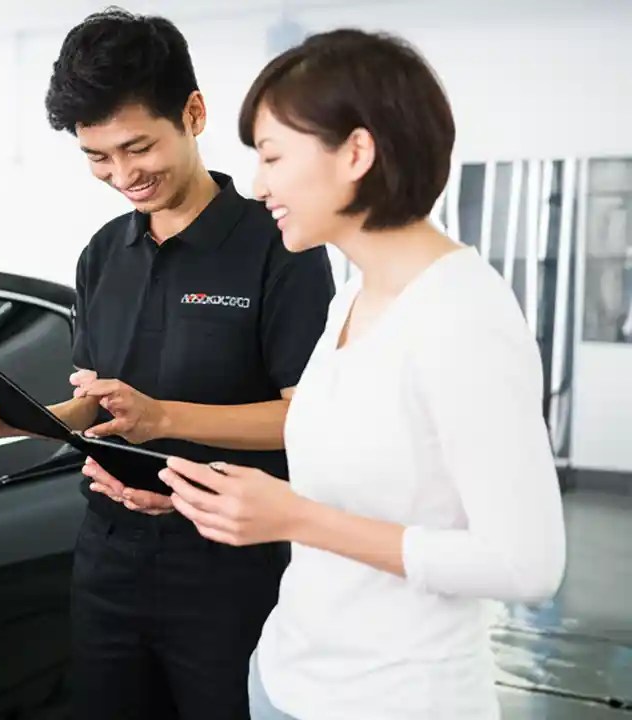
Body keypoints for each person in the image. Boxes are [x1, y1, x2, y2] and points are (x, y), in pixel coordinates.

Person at [157, 29, 568, 719]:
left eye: (272, 156)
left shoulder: (463, 318)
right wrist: (229, 501)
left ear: (356, 151)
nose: (258, 186)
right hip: (290, 675)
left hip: (395, 698)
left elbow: (526, 565)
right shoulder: (354, 291)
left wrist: (297, 519)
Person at [0, 8, 334, 718]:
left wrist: (165, 419)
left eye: (137, 147)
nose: (123, 174)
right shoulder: (102, 254)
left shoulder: (278, 246)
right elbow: (99, 403)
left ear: (193, 112)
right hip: (109, 556)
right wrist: (23, 423)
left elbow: (308, 421)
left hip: (227, 563)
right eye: (98, 157)